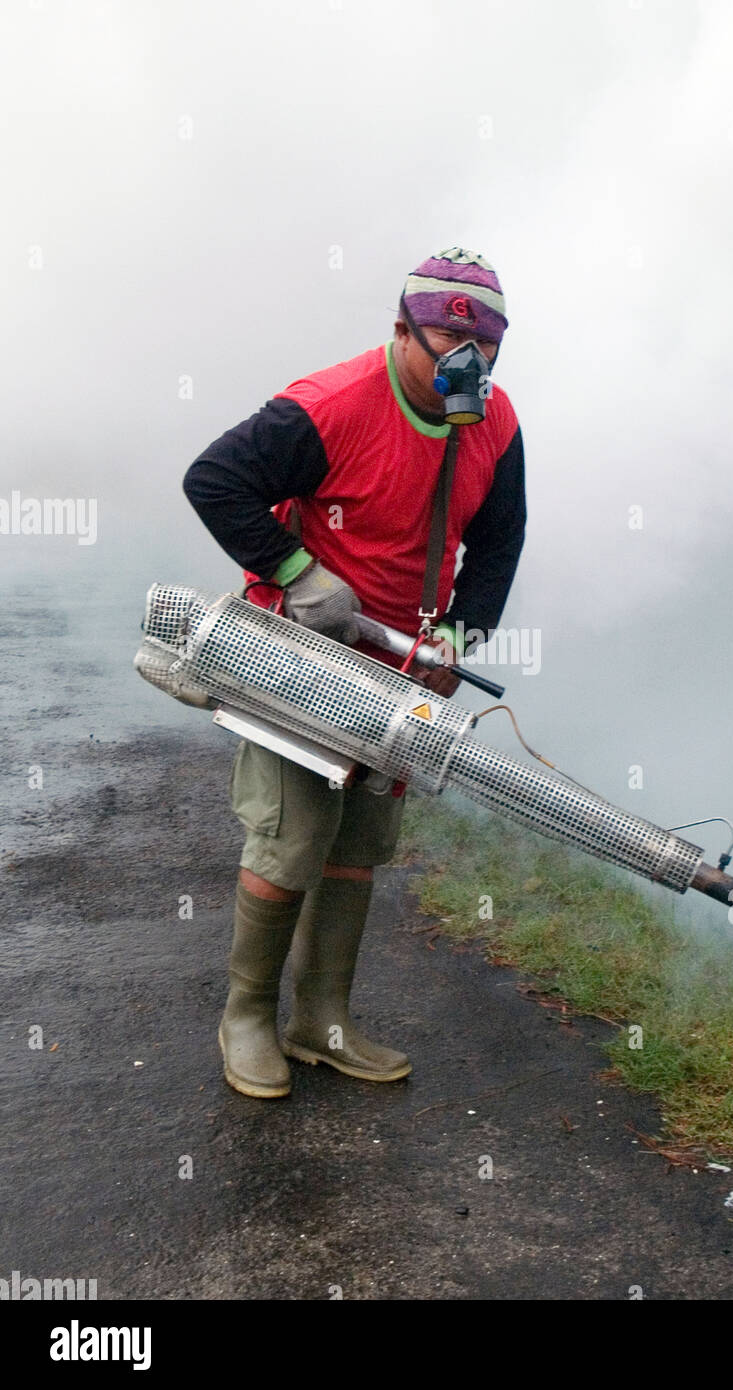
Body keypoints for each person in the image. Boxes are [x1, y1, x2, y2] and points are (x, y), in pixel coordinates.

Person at [182, 247, 526, 1099]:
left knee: (357, 846)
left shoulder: (495, 424)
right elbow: (214, 480)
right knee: (293, 835)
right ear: (400, 331)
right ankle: (250, 1017)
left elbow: (497, 541)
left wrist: (458, 633)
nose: (464, 367)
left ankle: (321, 1021)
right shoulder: (331, 406)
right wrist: (299, 572)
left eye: (482, 350)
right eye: (444, 346)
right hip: (298, 653)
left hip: (400, 669)